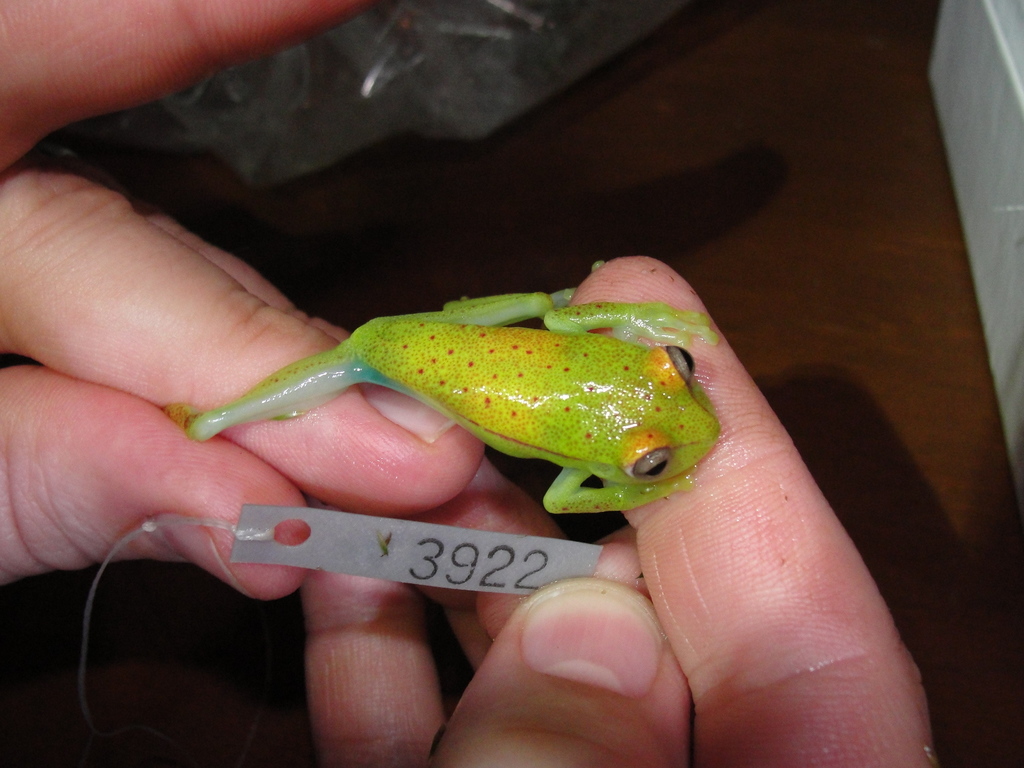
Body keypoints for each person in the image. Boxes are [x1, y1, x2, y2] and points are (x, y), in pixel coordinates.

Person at [0, 2, 934, 765]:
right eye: (655, 450)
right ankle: (211, 419)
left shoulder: (623, 364)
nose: (683, 386)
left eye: (675, 367)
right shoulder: (578, 464)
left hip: (451, 335)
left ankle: (217, 417)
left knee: (520, 327)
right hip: (393, 352)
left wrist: (599, 332)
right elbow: (562, 493)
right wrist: (635, 475)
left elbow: (565, 323)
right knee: (314, 391)